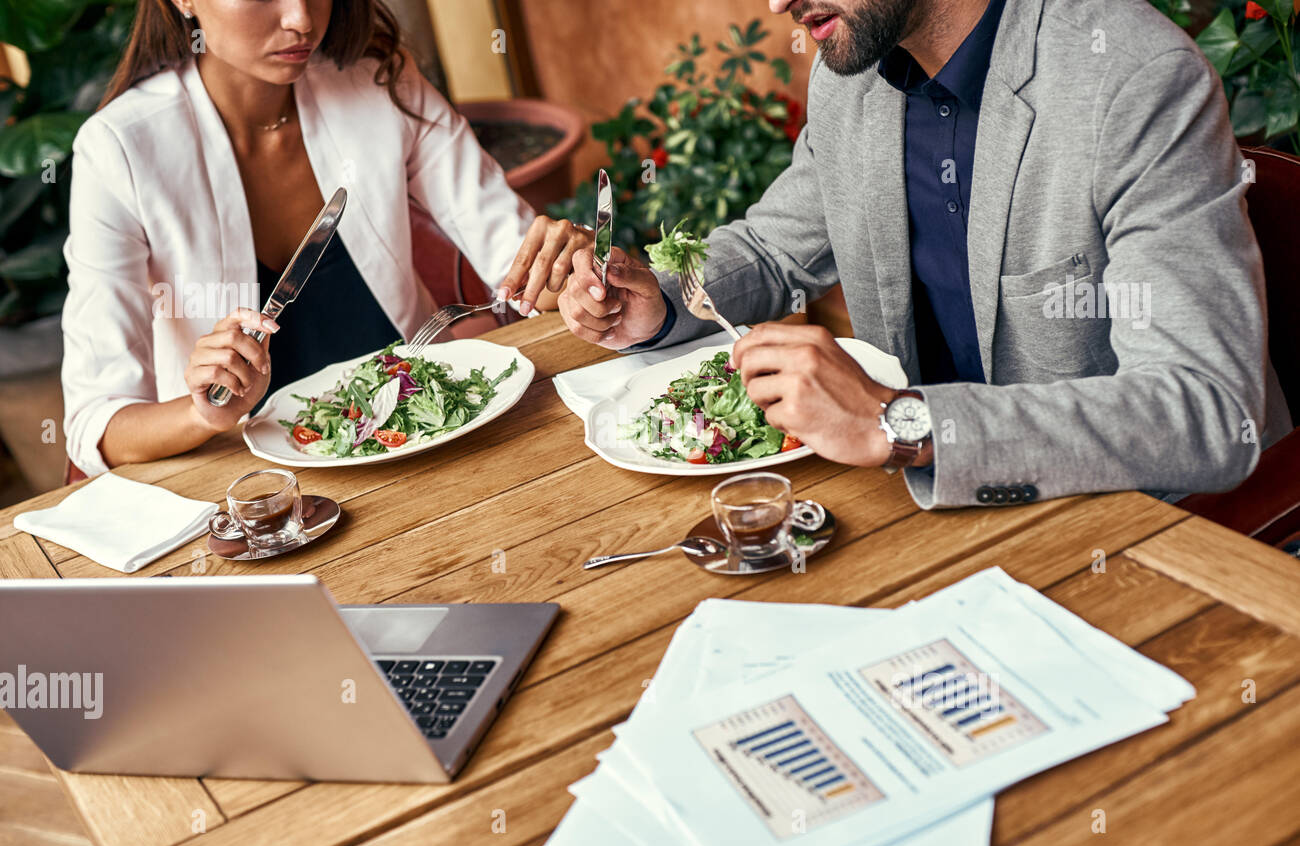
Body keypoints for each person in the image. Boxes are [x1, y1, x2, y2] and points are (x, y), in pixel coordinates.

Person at [558, 0, 1292, 508]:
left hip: (1149, 529)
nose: (777, 4)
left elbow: (1205, 408)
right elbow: (774, 250)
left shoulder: (1133, 77)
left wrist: (902, 422)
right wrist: (653, 301)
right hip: (929, 514)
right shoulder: (853, 74)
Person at [62, 0, 589, 476]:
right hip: (260, 493)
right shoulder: (120, 150)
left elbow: (518, 265)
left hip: (431, 439)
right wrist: (202, 412)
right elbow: (97, 424)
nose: (302, 20)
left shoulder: (379, 79)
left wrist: (570, 270)